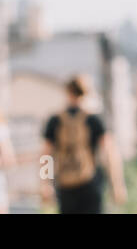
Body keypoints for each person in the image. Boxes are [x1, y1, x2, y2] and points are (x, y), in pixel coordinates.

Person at [41, 74, 127, 213]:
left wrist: (45, 183)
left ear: (68, 92)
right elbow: (110, 153)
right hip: (90, 182)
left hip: (65, 184)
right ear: (87, 93)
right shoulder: (94, 119)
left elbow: (46, 155)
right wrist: (117, 185)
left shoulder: (55, 120)